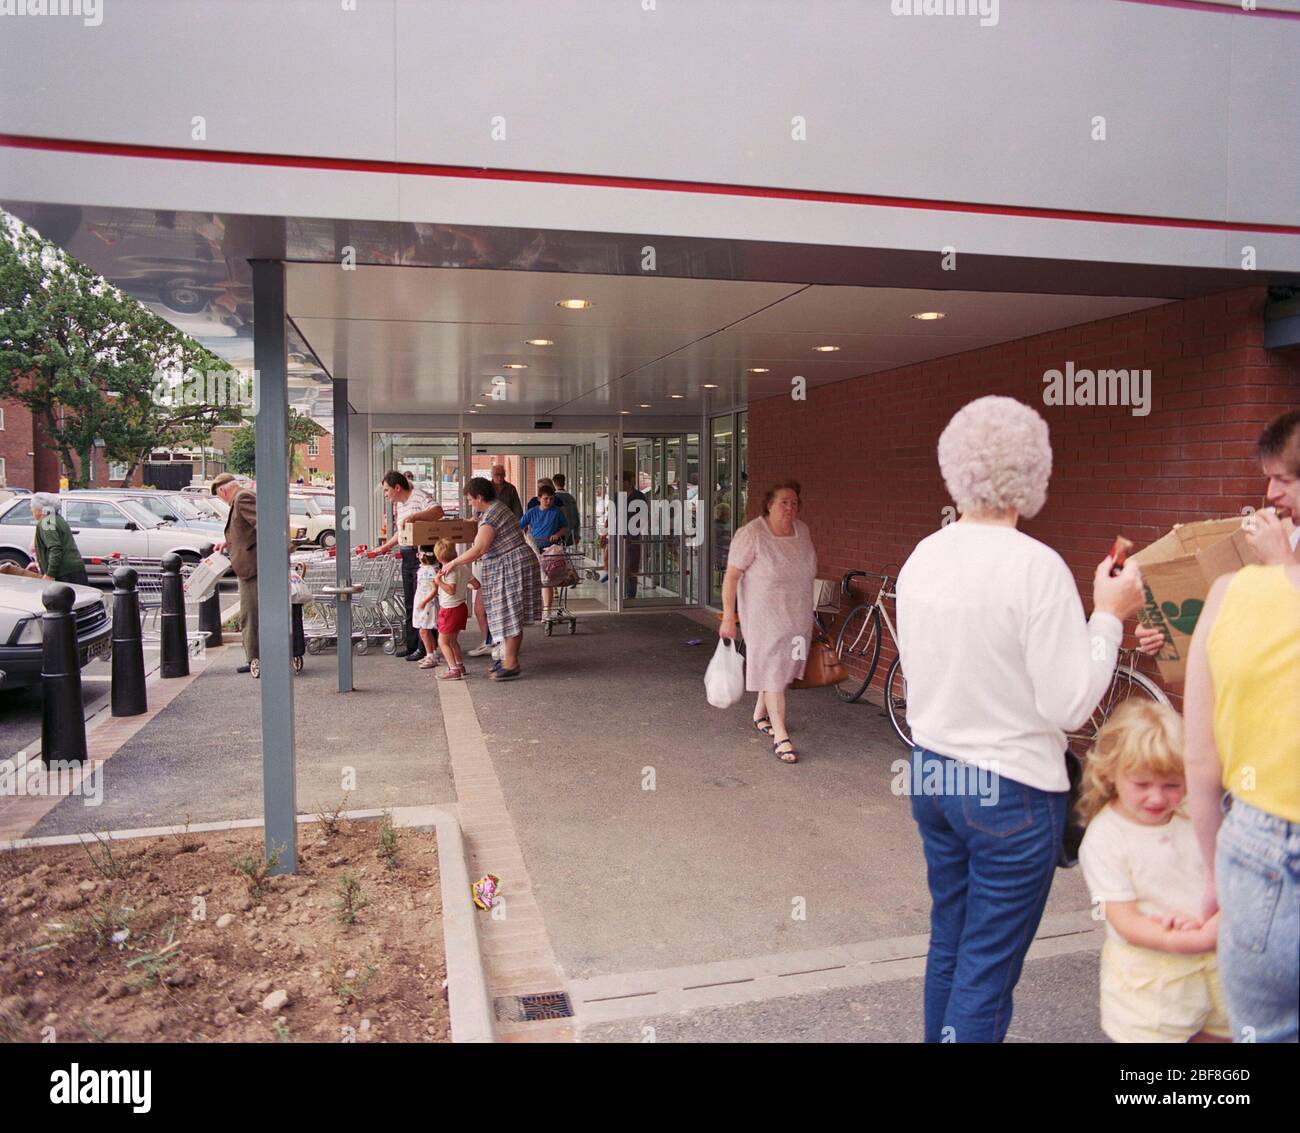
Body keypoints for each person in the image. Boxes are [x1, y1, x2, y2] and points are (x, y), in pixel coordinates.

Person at [894, 396, 1145, 1043]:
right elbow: (1068, 703)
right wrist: (1109, 615)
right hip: (1011, 789)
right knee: (987, 968)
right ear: (1034, 471)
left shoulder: (922, 556)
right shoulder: (1037, 567)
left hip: (935, 773)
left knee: (951, 939)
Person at [1183, 471, 1300, 1041]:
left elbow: (1201, 763)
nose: (1274, 496)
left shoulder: (1235, 591)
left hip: (1266, 847)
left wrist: (1213, 873)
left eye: (1289, 478)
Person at [1077, 701, 1229, 1044]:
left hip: (1215, 970)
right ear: (1110, 772)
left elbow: (1226, 872)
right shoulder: (1106, 837)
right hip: (1150, 985)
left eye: (1172, 784)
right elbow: (1124, 919)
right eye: (1142, 784)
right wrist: (1188, 939)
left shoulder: (1195, 814)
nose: (1157, 797)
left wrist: (1214, 925)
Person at [719, 480, 817, 764]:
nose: (790, 507)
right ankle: (781, 736)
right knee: (774, 670)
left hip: (797, 614)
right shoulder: (752, 534)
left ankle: (760, 714)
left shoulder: (803, 531)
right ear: (769, 505)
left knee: (783, 669)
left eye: (794, 502)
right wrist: (728, 615)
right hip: (764, 617)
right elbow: (732, 576)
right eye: (783, 502)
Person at [439, 477, 543, 681]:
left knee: (509, 613)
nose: (470, 503)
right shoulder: (496, 509)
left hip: (511, 566)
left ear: (479, 497)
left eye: (470, 499)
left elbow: (479, 548)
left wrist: (453, 563)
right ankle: (507, 658)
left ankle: (511, 662)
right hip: (513, 563)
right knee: (508, 613)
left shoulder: (491, 517)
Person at [373, 471, 443, 662]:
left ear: (397, 488)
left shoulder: (418, 496)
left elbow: (438, 511)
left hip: (422, 555)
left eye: (387, 490)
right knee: (410, 601)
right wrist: (385, 547)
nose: (386, 494)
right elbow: (401, 532)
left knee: (424, 601)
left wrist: (415, 516)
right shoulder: (399, 505)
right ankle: (412, 644)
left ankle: (426, 647)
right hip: (407, 555)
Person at [211, 473, 260, 678]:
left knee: (251, 614)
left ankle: (255, 660)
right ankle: (253, 658)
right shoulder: (241, 498)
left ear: (223, 490)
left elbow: (263, 526)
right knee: (248, 613)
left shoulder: (242, 498)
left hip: (252, 567)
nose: (222, 500)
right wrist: (228, 543)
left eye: (219, 496)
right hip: (247, 565)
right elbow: (245, 530)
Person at [1243, 408, 1300, 564]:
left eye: (1284, 479)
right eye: (1269, 479)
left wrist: (1280, 560)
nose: (1271, 494)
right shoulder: (1289, 530)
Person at [521, 485, 571, 617]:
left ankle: (547, 610)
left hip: (551, 548)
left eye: (551, 499)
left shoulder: (556, 512)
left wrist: (558, 534)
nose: (549, 501)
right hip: (535, 549)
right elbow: (519, 526)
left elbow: (565, 527)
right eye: (545, 499)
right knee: (538, 580)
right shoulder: (532, 512)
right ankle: (538, 608)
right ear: (539, 499)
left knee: (547, 580)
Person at [433, 537, 478, 680]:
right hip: (461, 607)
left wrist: (438, 581)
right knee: (453, 640)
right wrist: (464, 586)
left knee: (443, 642)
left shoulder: (448, 572)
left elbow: (451, 590)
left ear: (439, 557)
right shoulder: (463, 568)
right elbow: (476, 585)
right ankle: (459, 665)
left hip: (449, 609)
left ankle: (453, 669)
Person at [28, 493, 88, 586]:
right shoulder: (57, 518)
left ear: (40, 510)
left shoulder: (47, 521)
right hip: (74, 569)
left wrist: (50, 574)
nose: (31, 510)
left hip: (64, 573)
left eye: (32, 508)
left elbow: (55, 548)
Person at [410, 549, 442, 670]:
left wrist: (424, 601)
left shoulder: (430, 571)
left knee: (424, 630)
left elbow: (434, 589)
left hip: (427, 603)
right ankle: (432, 653)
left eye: (419, 553)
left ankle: (430, 655)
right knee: (425, 629)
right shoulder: (425, 569)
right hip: (423, 601)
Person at [620, 471, 649, 599]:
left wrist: (638, 529)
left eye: (620, 482)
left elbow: (644, 515)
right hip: (619, 535)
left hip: (633, 536)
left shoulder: (639, 496)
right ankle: (622, 591)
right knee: (621, 564)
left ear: (627, 482)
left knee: (632, 565)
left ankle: (630, 594)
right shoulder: (617, 496)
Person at [552, 473, 581, 546]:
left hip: (555, 534)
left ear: (554, 483)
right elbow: (576, 518)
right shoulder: (571, 498)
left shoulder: (552, 498)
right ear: (564, 483)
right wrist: (576, 535)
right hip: (569, 533)